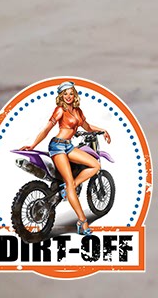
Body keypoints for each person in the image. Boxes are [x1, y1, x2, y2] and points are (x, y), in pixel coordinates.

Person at [28, 83, 104, 238]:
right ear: (61, 96)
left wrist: (103, 130)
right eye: (65, 94)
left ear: (74, 95)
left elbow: (87, 127)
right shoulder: (60, 110)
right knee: (69, 182)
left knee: (95, 165)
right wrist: (32, 145)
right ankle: (82, 221)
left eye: (70, 93)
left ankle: (71, 187)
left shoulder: (77, 111)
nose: (68, 96)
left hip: (69, 146)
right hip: (57, 146)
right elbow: (47, 129)